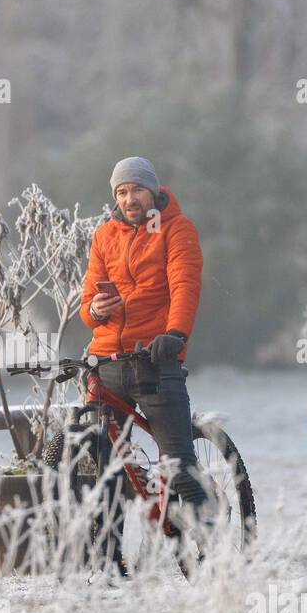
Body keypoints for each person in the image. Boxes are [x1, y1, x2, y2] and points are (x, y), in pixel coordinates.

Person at [78, 156, 208, 573]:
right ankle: (106, 565)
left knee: (181, 468)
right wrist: (95, 311)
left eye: (135, 190)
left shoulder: (177, 229)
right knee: (101, 470)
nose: (128, 199)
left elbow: (185, 285)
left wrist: (175, 336)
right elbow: (85, 306)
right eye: (120, 192)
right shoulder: (104, 236)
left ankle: (219, 559)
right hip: (108, 364)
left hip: (155, 362)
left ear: (152, 191)